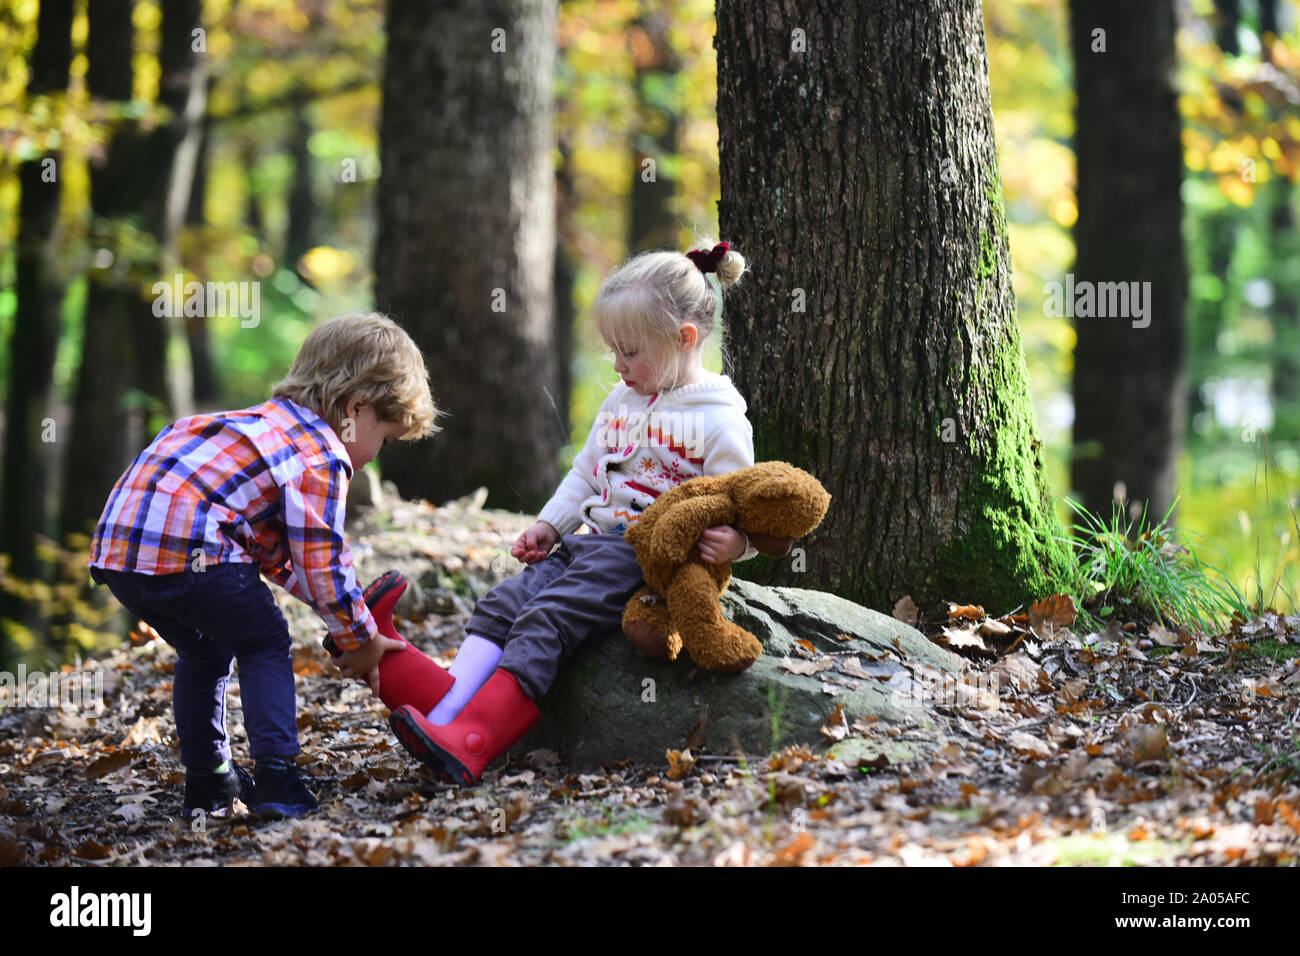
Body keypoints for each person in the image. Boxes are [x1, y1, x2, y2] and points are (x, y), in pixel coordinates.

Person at [385, 240, 796, 785]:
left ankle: (474, 739)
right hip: (586, 541)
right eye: (612, 352)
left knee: (548, 616)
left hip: (637, 553)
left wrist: (736, 546)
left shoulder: (721, 421)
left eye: (629, 352)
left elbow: (739, 505)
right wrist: (550, 525)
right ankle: (446, 709)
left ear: (684, 339)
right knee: (503, 602)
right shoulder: (621, 401)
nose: (618, 365)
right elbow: (585, 472)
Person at [87, 312, 438, 819]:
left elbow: (279, 557)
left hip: (123, 554)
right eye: (383, 438)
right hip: (190, 549)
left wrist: (344, 615)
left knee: (205, 651)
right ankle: (278, 779)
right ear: (355, 409)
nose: (372, 457)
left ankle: (210, 779)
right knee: (265, 640)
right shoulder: (319, 454)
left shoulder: (253, 430)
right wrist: (359, 637)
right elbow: (322, 559)